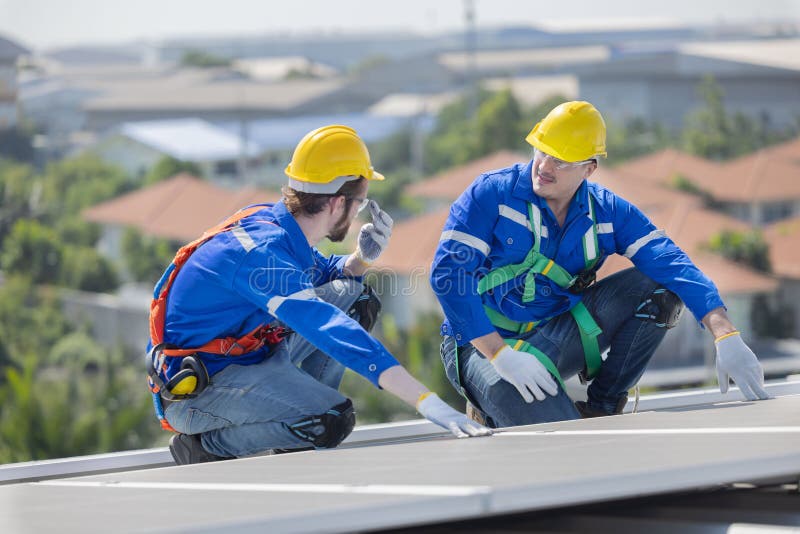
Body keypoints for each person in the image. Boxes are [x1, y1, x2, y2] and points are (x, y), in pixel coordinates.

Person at [147, 124, 490, 465]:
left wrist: (360, 259)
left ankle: (299, 426)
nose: (359, 212)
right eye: (360, 203)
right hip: (199, 394)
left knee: (356, 298)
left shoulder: (281, 227)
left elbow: (328, 280)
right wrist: (426, 401)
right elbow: (328, 326)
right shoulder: (259, 252)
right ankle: (215, 445)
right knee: (331, 419)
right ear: (339, 202)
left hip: (248, 360)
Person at [430, 101, 769, 428]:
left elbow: (672, 262)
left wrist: (725, 334)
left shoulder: (605, 212)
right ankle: (493, 401)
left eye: (561, 161)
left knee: (659, 287)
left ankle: (601, 407)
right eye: (542, 150)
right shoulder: (491, 194)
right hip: (478, 343)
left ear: (589, 168)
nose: (545, 166)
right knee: (558, 431)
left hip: (555, 334)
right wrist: (499, 355)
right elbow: (448, 276)